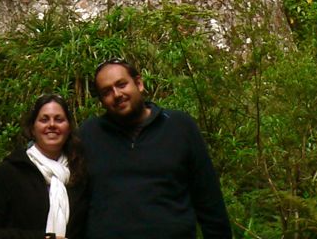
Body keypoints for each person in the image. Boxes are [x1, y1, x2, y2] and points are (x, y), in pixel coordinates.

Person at [78, 59, 231, 239]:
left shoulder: (179, 127)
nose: (117, 94)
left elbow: (209, 202)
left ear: (139, 83)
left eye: (121, 84)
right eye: (107, 92)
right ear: (102, 100)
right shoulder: (89, 134)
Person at [0, 92, 88, 239]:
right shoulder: (9, 172)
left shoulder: (79, 172)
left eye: (59, 119)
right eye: (44, 119)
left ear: (69, 128)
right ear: (33, 128)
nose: (51, 125)